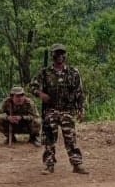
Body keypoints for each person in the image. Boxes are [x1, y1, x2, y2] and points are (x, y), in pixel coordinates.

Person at [30, 44, 88, 175]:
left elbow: (79, 92)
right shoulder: (45, 73)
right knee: (49, 139)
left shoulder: (73, 73)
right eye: (57, 54)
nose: (60, 56)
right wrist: (40, 94)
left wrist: (81, 109)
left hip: (67, 110)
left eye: (62, 53)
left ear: (65, 55)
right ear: (53, 56)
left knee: (71, 138)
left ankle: (77, 164)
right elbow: (32, 86)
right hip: (51, 110)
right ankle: (49, 165)